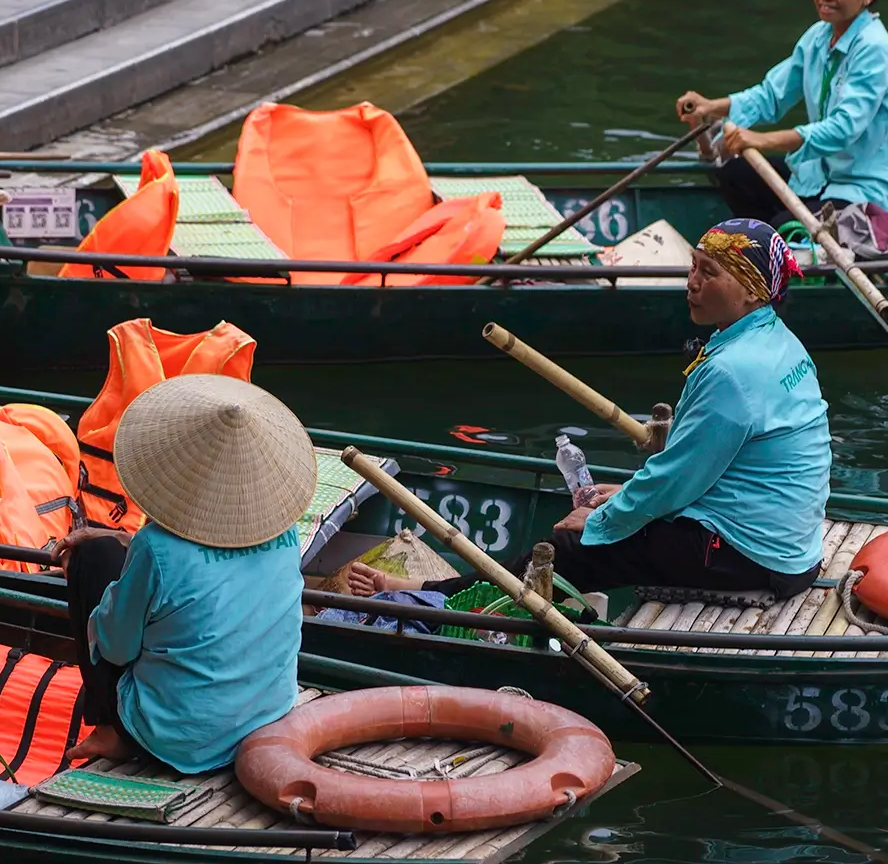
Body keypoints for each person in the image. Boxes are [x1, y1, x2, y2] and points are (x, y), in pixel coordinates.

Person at [350, 219, 831, 602]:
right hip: (787, 547)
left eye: (709, 272)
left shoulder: (732, 372)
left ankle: (429, 598)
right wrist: (624, 497)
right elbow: (705, 468)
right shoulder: (778, 341)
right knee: (608, 521)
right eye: (693, 266)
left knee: (567, 549)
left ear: (750, 290)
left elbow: (679, 478)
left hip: (753, 555)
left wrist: (604, 521)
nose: (692, 282)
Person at [57, 373, 316, 773]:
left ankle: (117, 730)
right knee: (112, 552)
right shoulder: (283, 528)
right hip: (267, 709)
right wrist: (122, 542)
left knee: (91, 558)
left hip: (180, 739)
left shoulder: (157, 547)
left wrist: (109, 595)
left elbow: (116, 648)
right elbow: (212, 559)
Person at [676, 0, 888, 225]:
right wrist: (711, 107)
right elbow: (772, 95)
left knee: (782, 227)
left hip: (867, 190)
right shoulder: (818, 36)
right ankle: (774, 251)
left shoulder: (873, 47)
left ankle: (781, 253)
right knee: (736, 176)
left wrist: (762, 140)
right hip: (821, 174)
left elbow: (842, 130)